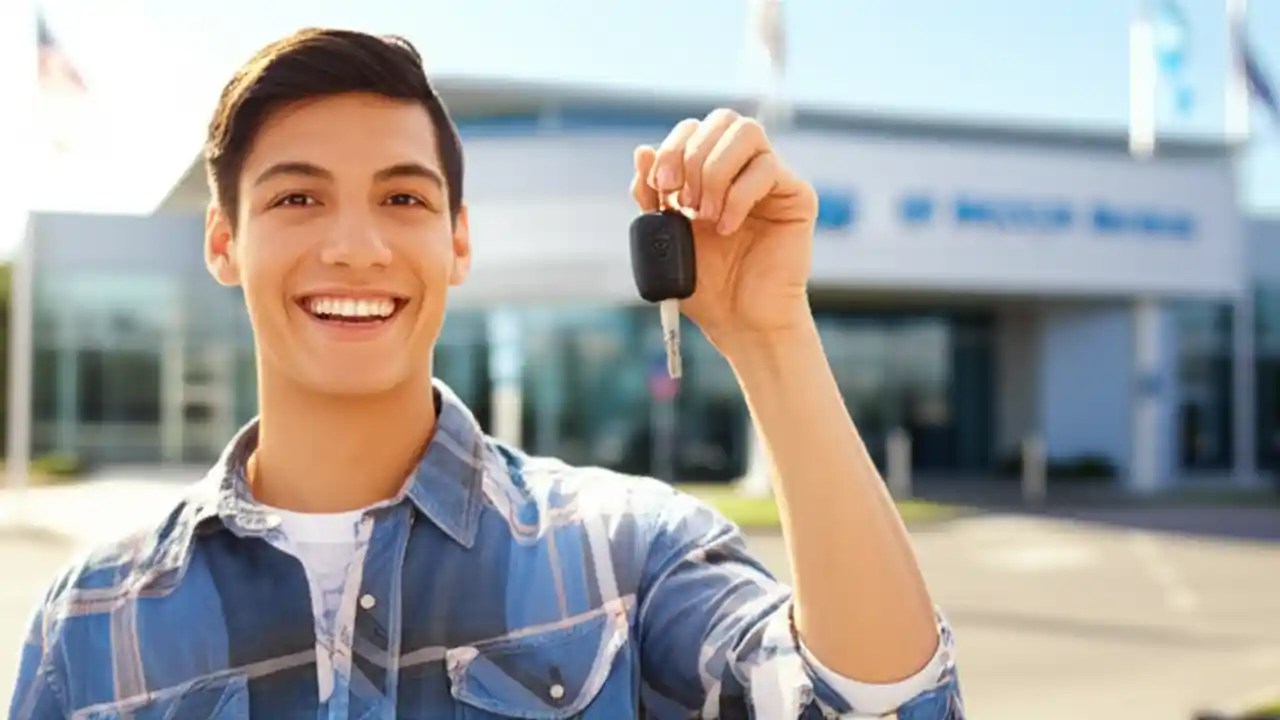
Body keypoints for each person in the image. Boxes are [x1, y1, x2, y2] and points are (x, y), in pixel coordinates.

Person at [9, 28, 963, 719]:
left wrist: (771, 335)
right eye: (298, 197)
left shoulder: (626, 555)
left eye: (402, 198)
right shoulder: (89, 625)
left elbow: (880, 709)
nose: (355, 246)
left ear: (458, 242)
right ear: (224, 242)